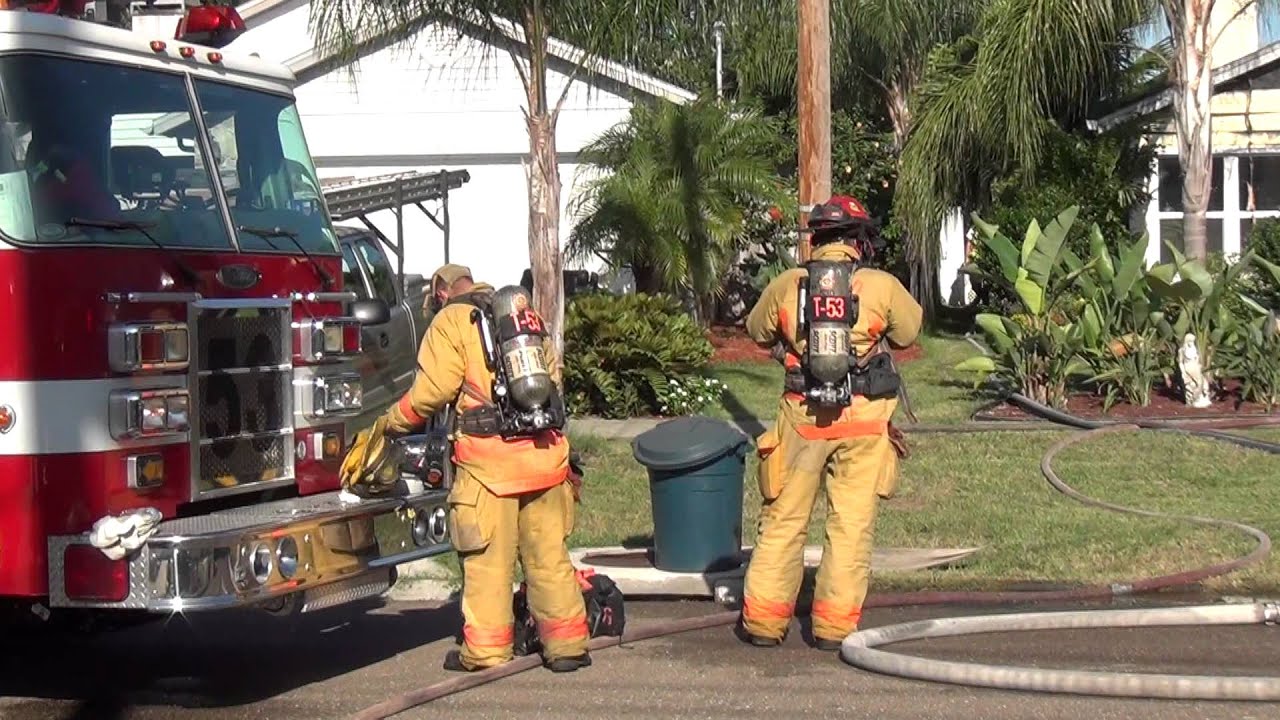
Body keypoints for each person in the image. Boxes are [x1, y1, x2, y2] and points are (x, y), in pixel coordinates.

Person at [341, 268, 591, 674]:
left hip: (490, 469)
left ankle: (488, 651)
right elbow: (553, 380)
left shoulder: (451, 321)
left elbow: (431, 394)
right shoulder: (521, 315)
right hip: (547, 461)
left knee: (487, 561)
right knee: (549, 557)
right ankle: (567, 645)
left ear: (440, 293)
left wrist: (389, 423)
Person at [738, 194, 922, 651]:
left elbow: (757, 331)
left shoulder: (787, 284)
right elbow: (908, 333)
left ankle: (763, 623)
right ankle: (833, 628)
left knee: (783, 520)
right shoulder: (880, 284)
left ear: (816, 239)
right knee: (850, 525)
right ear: (859, 241)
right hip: (862, 424)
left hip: (802, 420)